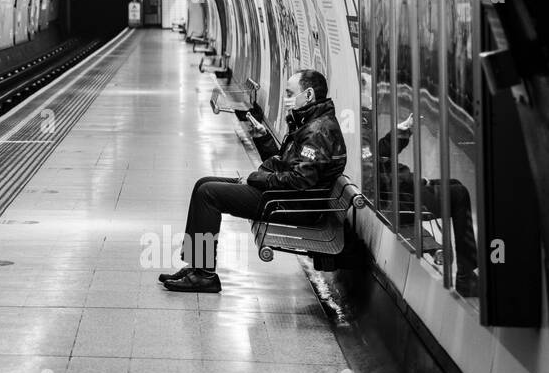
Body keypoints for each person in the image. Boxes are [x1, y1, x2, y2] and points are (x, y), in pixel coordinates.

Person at [161, 70, 347, 292]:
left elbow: (299, 181)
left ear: (308, 95)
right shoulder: (310, 122)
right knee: (203, 183)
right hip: (283, 195)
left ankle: (205, 275)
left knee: (208, 194)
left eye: (290, 92)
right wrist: (264, 138)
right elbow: (288, 165)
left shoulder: (318, 131)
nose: (286, 98)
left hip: (287, 203)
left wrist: (256, 179)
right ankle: (196, 266)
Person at [376, 115, 478, 297]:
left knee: (454, 184)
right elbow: (379, 170)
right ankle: (465, 277)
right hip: (399, 199)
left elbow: (381, 156)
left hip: (398, 193)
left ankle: (466, 272)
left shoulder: (361, 126)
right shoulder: (362, 127)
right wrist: (417, 181)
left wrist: (401, 131)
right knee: (460, 194)